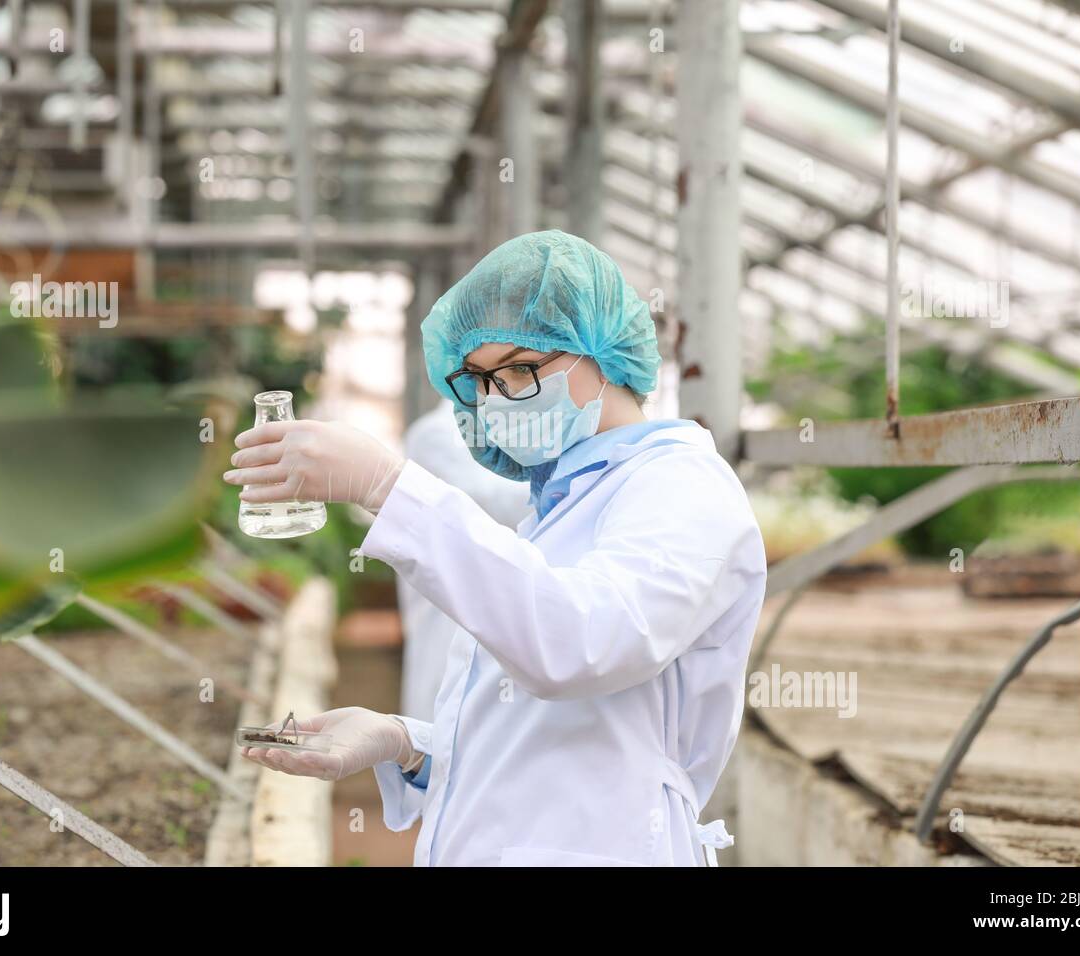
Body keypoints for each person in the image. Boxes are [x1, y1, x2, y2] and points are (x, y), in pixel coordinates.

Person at [223, 230, 767, 866]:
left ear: (601, 352)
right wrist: (408, 744)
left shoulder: (680, 486)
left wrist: (386, 485)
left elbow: (578, 643)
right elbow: (544, 735)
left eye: (519, 369)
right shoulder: (562, 500)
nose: (495, 399)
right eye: (478, 379)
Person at [397, 399, 531, 722]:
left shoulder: (529, 431)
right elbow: (492, 504)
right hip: (449, 629)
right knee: (443, 739)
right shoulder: (434, 435)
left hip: (515, 636)